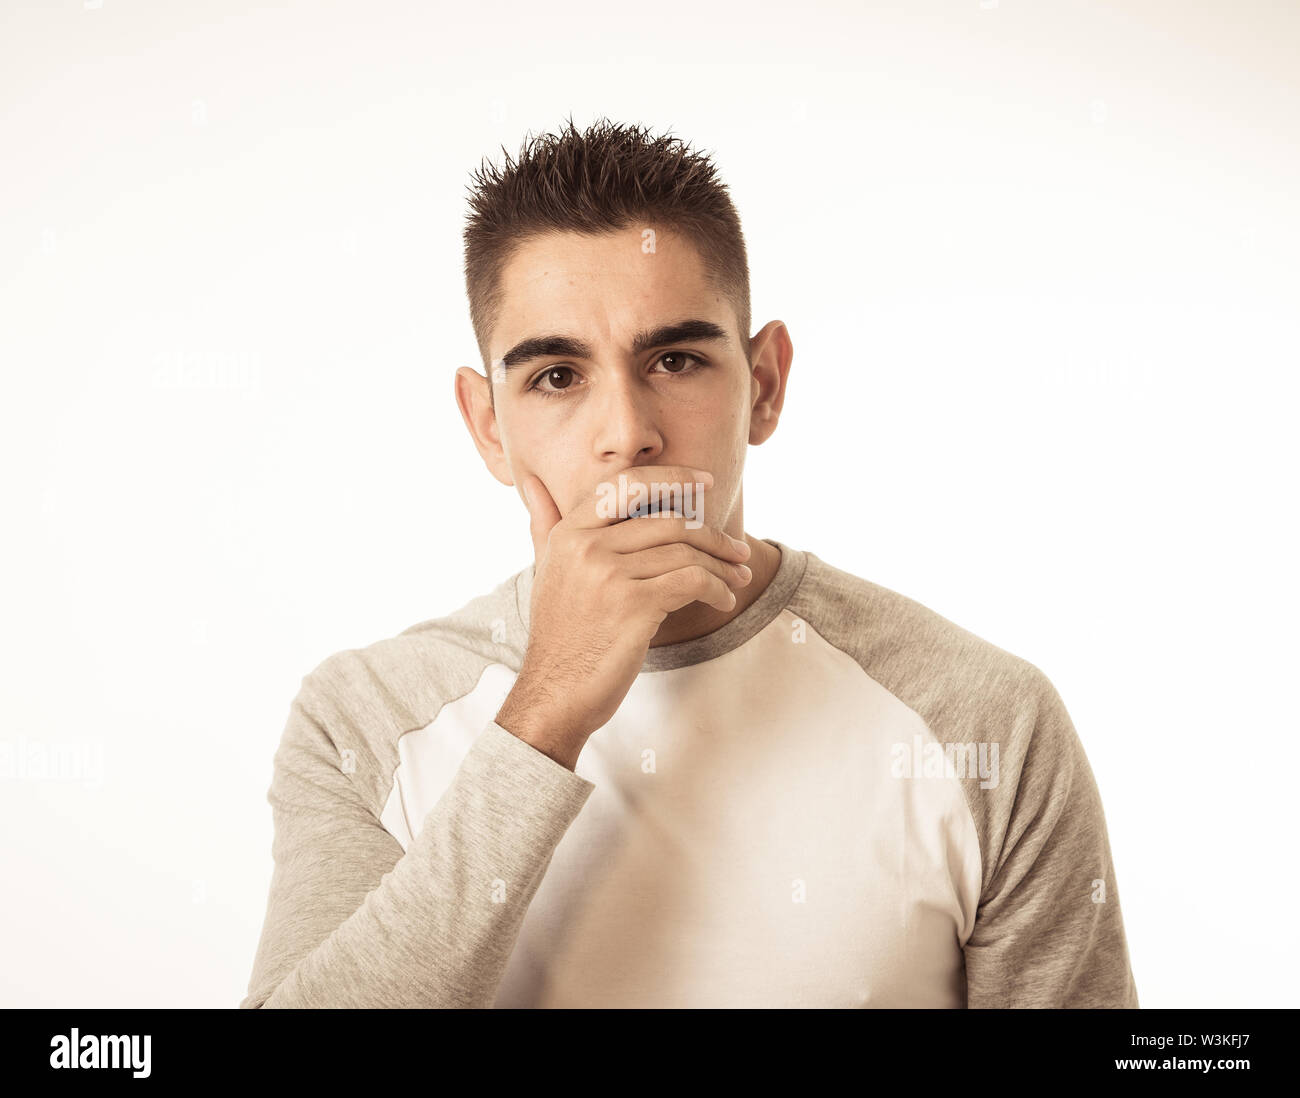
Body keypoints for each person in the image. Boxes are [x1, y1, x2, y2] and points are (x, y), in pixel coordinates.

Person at [240, 117, 1138, 1008]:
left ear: (766, 386)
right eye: (557, 376)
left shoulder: (987, 721)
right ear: (488, 428)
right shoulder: (362, 722)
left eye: (674, 359)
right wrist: (544, 712)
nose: (628, 435)